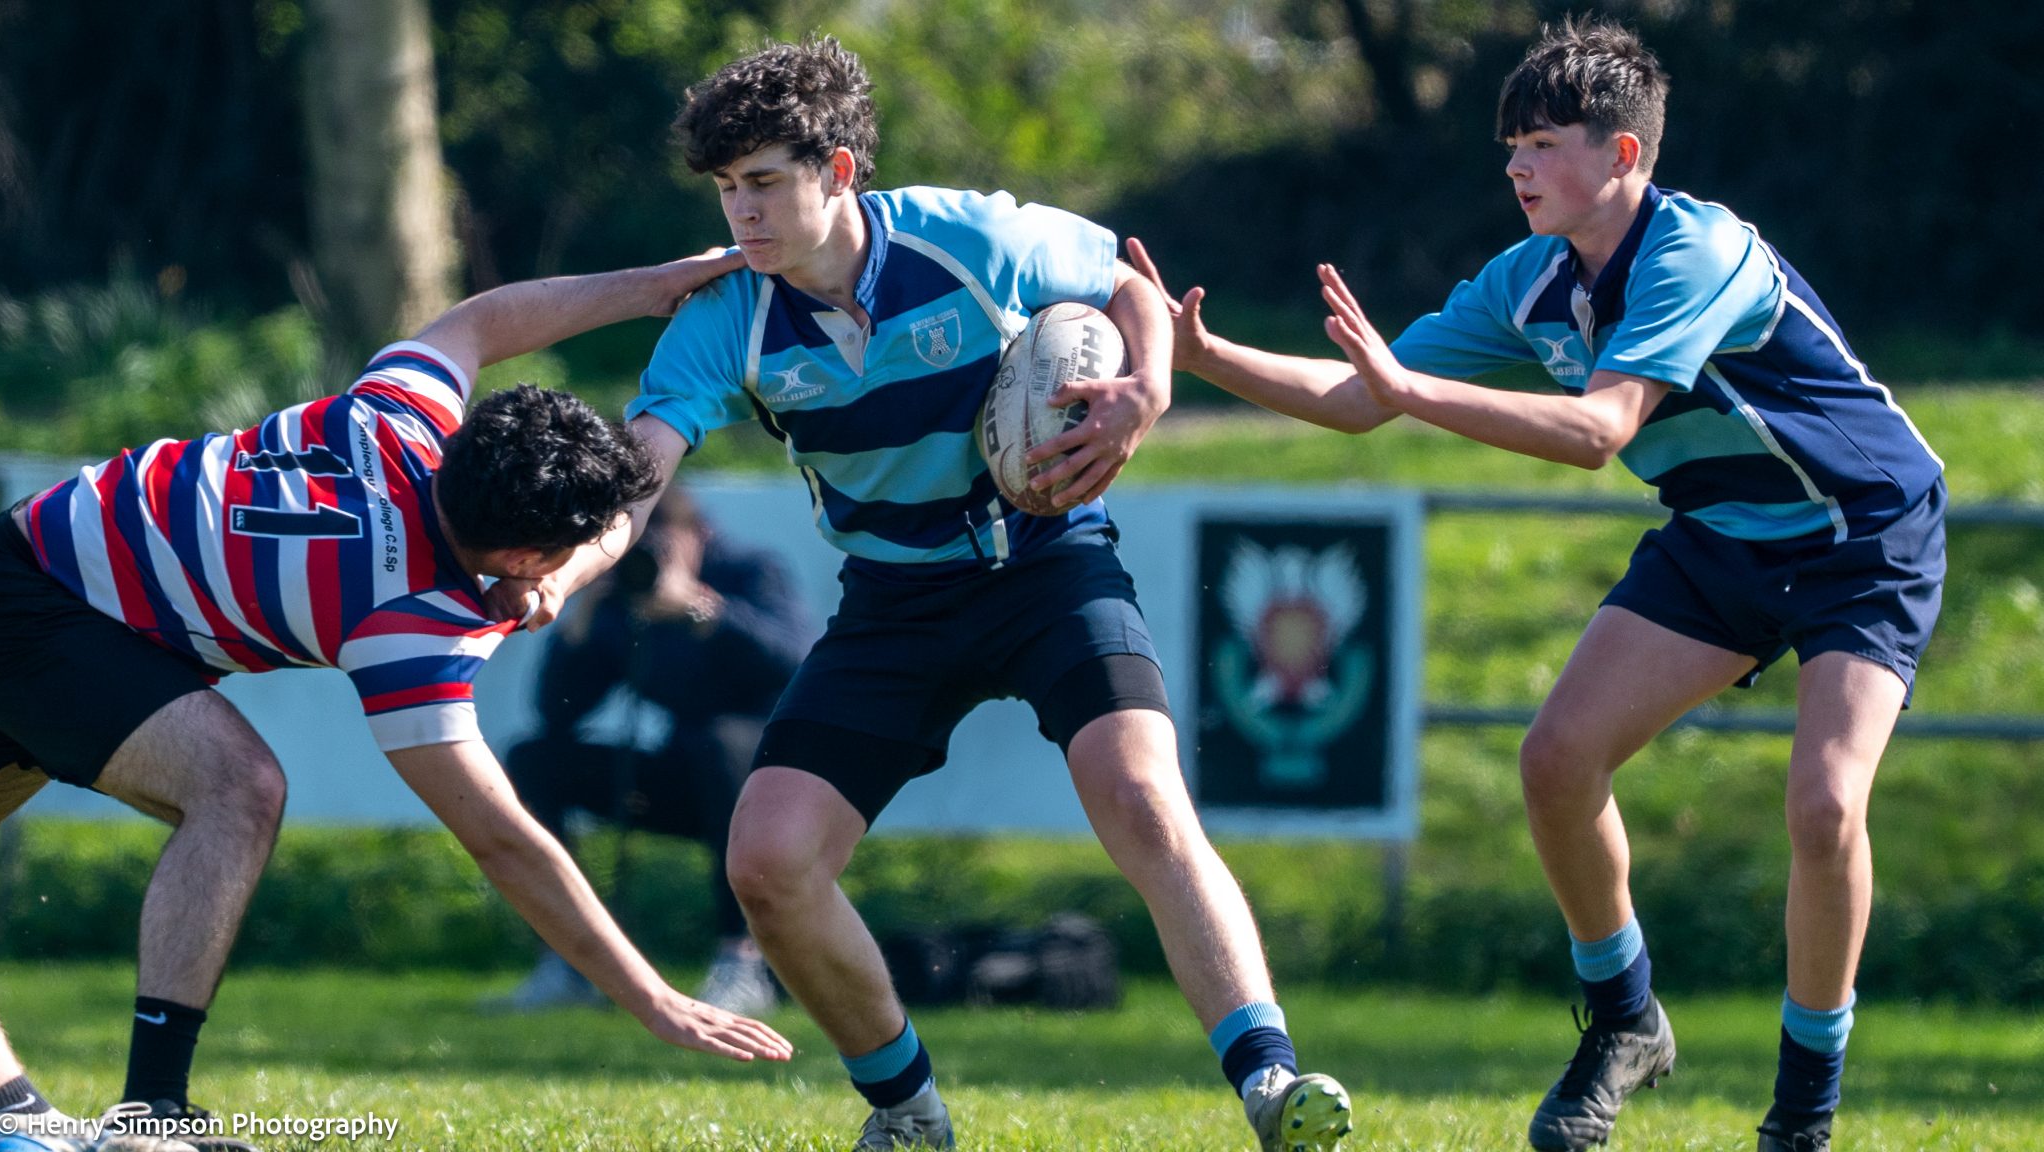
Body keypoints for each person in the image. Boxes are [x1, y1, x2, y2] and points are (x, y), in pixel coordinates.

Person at [512, 35, 1353, 1152]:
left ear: (841, 170)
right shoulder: (730, 318)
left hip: (1043, 560)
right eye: (725, 190)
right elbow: (643, 464)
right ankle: (908, 1111)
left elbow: (1126, 288)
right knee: (766, 862)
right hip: (894, 601)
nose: (742, 216)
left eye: (764, 182)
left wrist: (1144, 392)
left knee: (1142, 798)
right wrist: (569, 567)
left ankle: (1266, 1082)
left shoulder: (971, 237)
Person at [1130, 16, 1944, 1152]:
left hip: (1861, 534)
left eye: (1543, 142)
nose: (1515, 165)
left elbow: (1595, 430)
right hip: (1722, 532)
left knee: (1821, 805)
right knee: (1554, 761)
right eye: (1509, 144)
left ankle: (1800, 1112)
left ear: (1622, 156)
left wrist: (1411, 393)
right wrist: (1205, 356)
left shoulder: (1693, 254)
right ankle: (1623, 1018)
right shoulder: (1527, 280)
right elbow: (1363, 394)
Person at [0, 251, 793, 1152]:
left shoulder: (399, 420)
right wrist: (651, 998)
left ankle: (11, 1118)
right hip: (41, 608)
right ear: (531, 557)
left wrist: (650, 287)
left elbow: (480, 324)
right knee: (237, 788)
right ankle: (153, 1116)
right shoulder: (411, 627)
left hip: (50, 574)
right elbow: (504, 840)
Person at [492, 484, 809, 1017]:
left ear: (699, 535)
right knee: (534, 758)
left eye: (660, 542)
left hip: (767, 784)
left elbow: (796, 662)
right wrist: (584, 614)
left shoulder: (749, 571)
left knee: (718, 743)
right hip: (683, 779)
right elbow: (558, 711)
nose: (648, 557)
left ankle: (744, 962)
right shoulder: (623, 599)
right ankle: (570, 961)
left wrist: (701, 609)